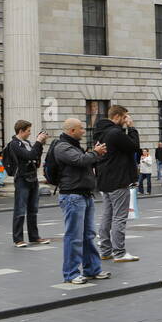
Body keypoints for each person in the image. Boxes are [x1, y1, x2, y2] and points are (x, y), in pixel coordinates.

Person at [52, 117, 110, 285]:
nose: (83, 131)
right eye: (81, 129)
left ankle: (92, 269)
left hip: (84, 195)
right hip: (72, 197)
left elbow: (85, 161)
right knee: (74, 237)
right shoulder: (62, 147)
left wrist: (95, 155)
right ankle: (70, 274)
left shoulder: (73, 146)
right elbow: (80, 161)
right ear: (71, 131)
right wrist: (95, 153)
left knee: (88, 235)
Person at [91, 105, 140, 264]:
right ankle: (119, 252)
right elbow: (134, 146)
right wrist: (132, 128)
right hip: (118, 179)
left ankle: (105, 251)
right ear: (118, 116)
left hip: (105, 179)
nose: (127, 120)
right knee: (119, 217)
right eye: (125, 117)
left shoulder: (100, 133)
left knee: (107, 215)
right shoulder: (115, 133)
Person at [4, 120, 51, 247]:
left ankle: (34, 237)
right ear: (21, 131)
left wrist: (40, 144)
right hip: (22, 179)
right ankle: (18, 239)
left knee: (33, 209)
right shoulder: (14, 144)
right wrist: (38, 142)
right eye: (28, 131)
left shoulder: (28, 143)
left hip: (33, 178)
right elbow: (29, 155)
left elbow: (35, 157)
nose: (30, 133)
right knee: (20, 209)